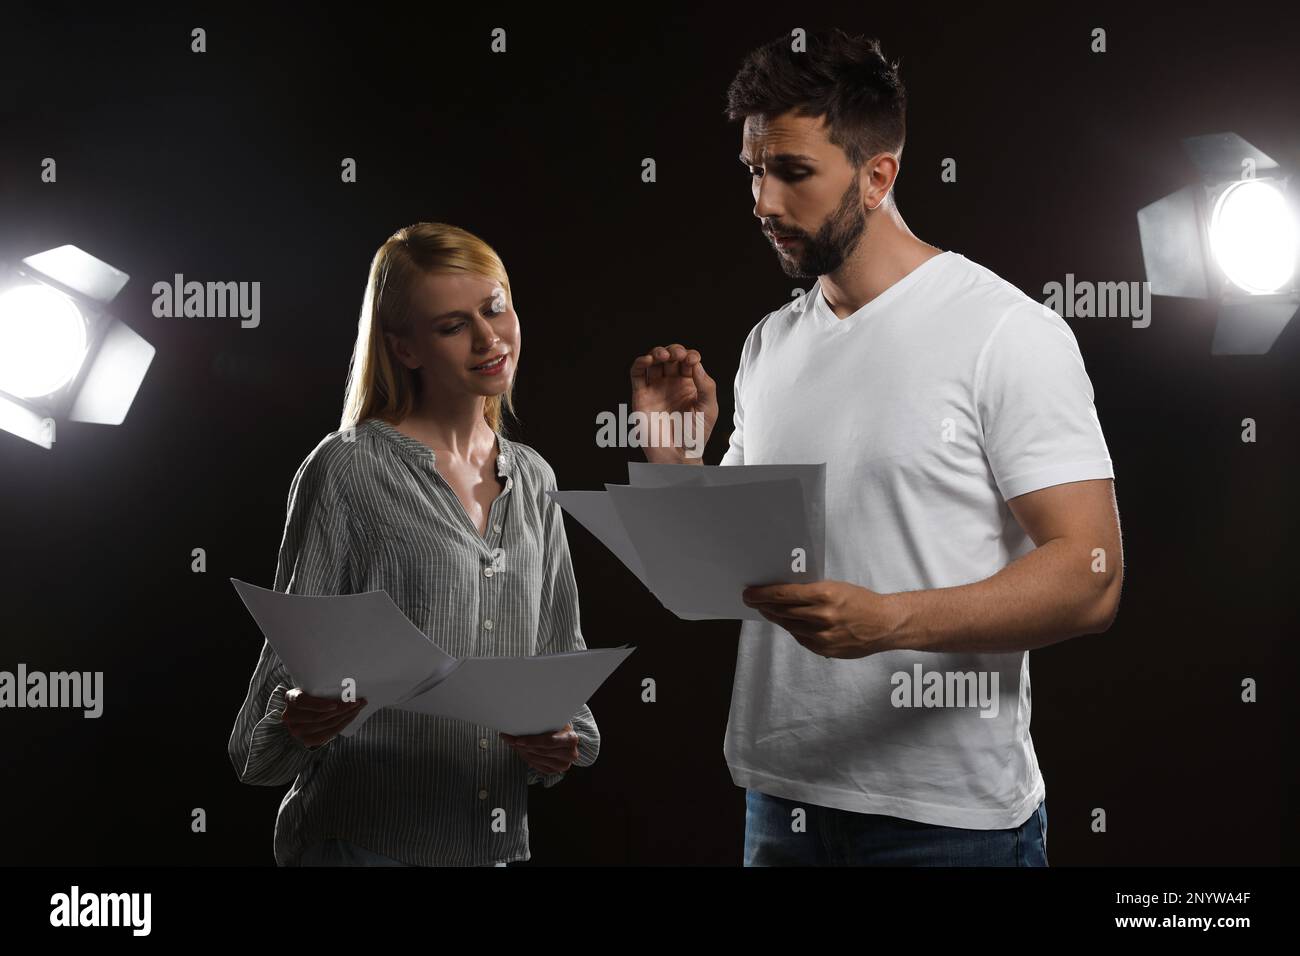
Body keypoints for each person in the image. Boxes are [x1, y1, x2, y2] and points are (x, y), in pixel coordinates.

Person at [629, 29, 1123, 866]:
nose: (764, 202)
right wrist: (673, 458)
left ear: (878, 174)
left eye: (792, 172)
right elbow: (743, 571)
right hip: (778, 801)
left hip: (947, 821)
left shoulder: (1006, 332)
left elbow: (1092, 575)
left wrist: (892, 619)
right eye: (754, 170)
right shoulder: (768, 345)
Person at [228, 222, 600, 867]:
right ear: (404, 348)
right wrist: (297, 717)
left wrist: (560, 740)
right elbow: (259, 739)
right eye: (453, 326)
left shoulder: (536, 477)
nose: (489, 338)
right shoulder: (346, 469)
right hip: (361, 846)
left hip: (496, 850)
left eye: (496, 308)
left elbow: (562, 669)